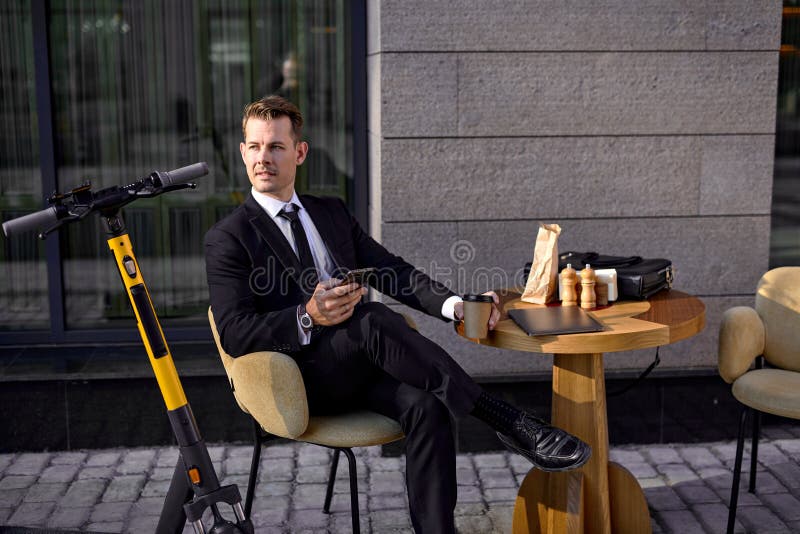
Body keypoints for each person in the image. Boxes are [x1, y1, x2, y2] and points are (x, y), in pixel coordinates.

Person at [204, 95, 590, 533]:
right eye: (254, 147)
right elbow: (234, 334)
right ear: (242, 152)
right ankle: (506, 419)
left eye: (275, 146)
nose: (263, 158)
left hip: (363, 366)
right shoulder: (229, 238)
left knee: (428, 406)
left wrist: (455, 306)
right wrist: (307, 315)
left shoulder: (329, 212)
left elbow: (392, 271)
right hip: (300, 378)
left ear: (300, 152)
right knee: (373, 319)